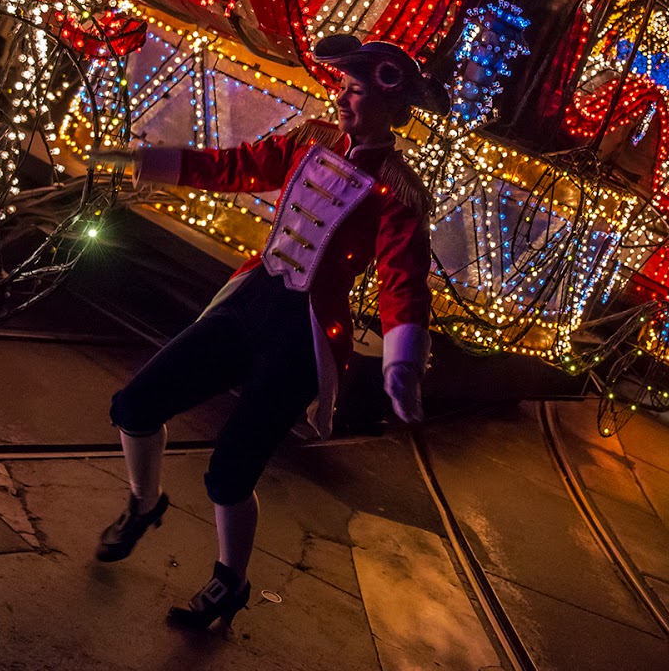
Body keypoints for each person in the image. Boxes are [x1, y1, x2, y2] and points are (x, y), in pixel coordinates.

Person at [89, 36, 448, 630]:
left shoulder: (400, 189)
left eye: (355, 92)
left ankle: (230, 583)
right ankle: (144, 503)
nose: (342, 99)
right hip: (253, 299)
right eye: (343, 87)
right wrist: (142, 159)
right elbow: (233, 168)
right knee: (135, 403)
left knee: (231, 470)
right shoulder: (311, 139)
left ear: (389, 106)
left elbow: (402, 279)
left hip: (304, 336)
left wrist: (400, 360)